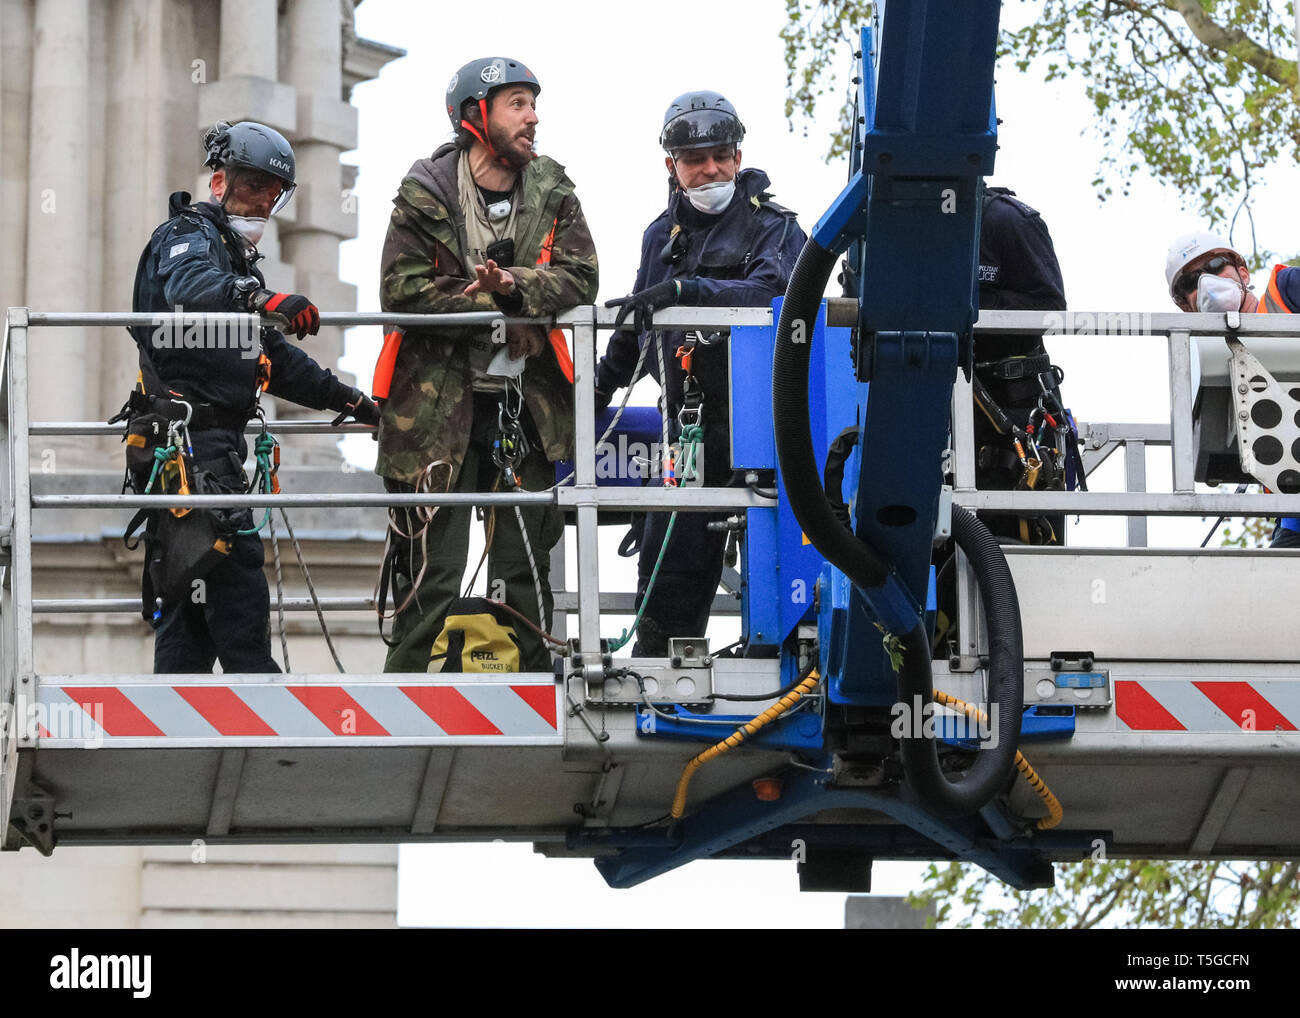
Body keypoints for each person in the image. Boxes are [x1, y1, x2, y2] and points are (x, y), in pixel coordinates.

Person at [128, 120, 378, 673]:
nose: (263, 202)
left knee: (189, 605)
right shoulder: (188, 237)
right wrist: (260, 298)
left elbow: (275, 361)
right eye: (253, 187)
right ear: (219, 182)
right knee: (237, 586)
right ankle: (268, 710)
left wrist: (353, 402)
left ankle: (175, 716)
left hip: (208, 448)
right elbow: (189, 288)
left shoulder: (233, 262)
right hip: (188, 447)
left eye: (274, 193)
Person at [375, 56, 598, 673]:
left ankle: (534, 691)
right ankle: (404, 695)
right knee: (432, 568)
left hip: (525, 410)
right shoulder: (424, 190)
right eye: (517, 104)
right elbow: (401, 290)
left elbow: (582, 278)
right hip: (432, 417)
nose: (533, 117)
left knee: (523, 566)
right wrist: (497, 307)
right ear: (475, 115)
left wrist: (513, 288)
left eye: (534, 103)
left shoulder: (554, 189)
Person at [594, 91, 806, 655]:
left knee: (782, 566)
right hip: (686, 432)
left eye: (720, 156)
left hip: (766, 430)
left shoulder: (777, 229)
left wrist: (690, 291)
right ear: (673, 166)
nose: (710, 169)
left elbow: (772, 293)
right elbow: (634, 327)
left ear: (738, 158)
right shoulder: (659, 237)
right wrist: (595, 391)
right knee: (670, 562)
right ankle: (662, 676)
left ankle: (778, 674)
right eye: (695, 160)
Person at [1166, 231, 1299, 547]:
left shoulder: (1286, 291)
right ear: (1187, 306)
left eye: (1215, 266)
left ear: (1243, 274)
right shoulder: (1212, 368)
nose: (1205, 282)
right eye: (1190, 282)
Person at [970, 185, 1074, 545]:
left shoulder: (1006, 221)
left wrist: (972, 302)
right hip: (942, 413)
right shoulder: (906, 228)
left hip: (1011, 417)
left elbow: (1050, 307)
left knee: (1015, 552)